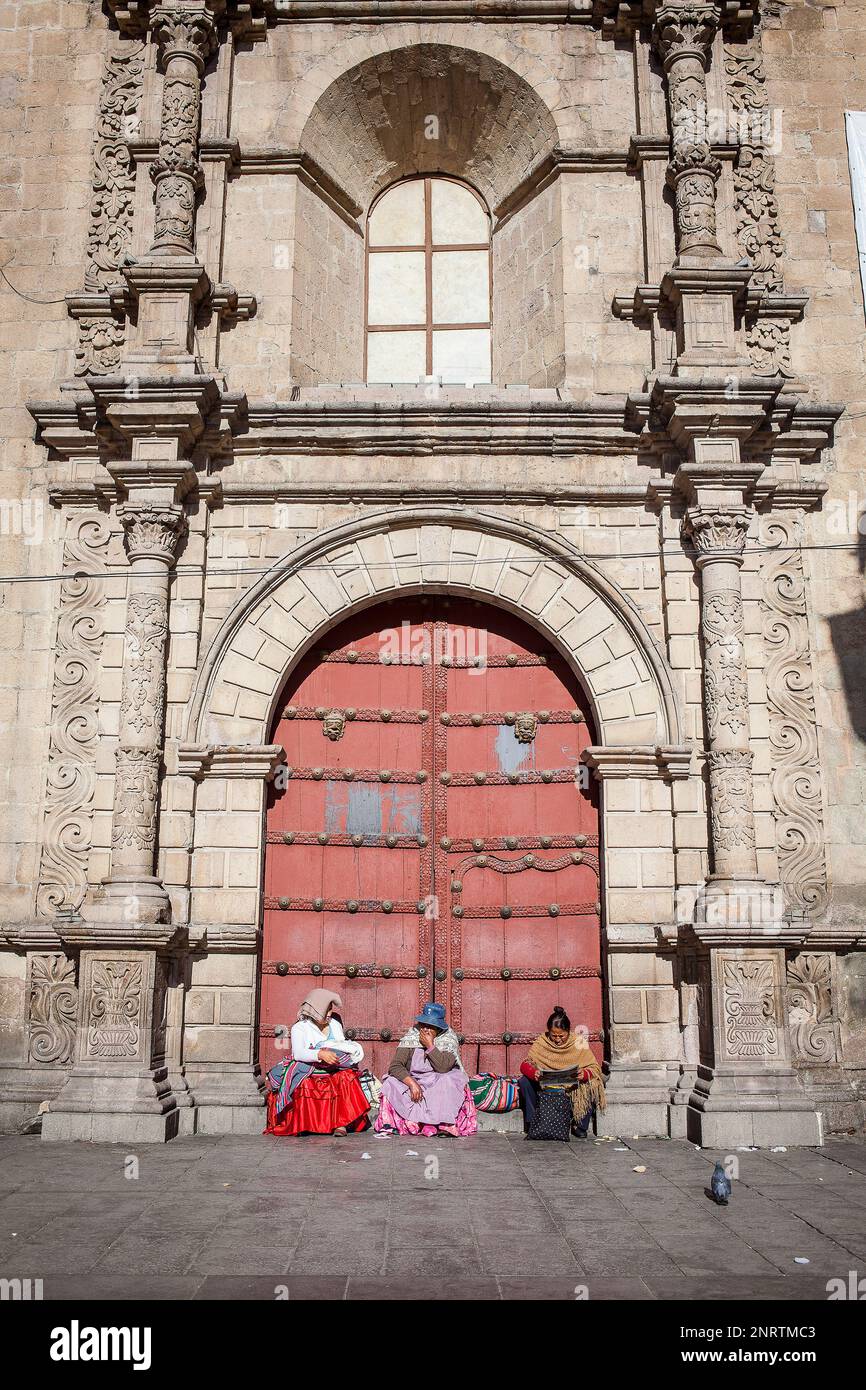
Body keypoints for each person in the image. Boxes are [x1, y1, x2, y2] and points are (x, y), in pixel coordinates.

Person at [264, 987, 370, 1137]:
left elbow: (340, 1044)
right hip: (311, 1067)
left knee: (347, 1077)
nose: (329, 1014)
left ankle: (341, 1123)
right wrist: (320, 1054)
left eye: (330, 1010)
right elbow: (299, 1053)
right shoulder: (299, 1028)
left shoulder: (335, 1024)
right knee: (304, 1082)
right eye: (326, 1010)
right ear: (315, 1009)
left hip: (334, 1066)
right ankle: (306, 1124)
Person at [375, 1002, 477, 1137]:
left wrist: (430, 1045)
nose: (426, 1030)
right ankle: (408, 1122)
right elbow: (395, 1066)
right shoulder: (412, 1037)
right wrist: (411, 1083)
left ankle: (443, 1123)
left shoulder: (448, 1039)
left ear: (439, 1028)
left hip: (437, 1083)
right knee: (390, 1082)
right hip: (416, 1083)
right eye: (424, 1025)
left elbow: (443, 1067)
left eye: (431, 1027)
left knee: (447, 1080)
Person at [518, 1005, 606, 1138]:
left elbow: (594, 1068)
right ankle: (533, 1123)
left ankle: (579, 1124)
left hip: (569, 1091)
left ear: (568, 1032)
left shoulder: (578, 1042)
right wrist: (533, 1072)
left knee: (591, 1083)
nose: (558, 1039)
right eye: (554, 1036)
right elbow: (525, 1064)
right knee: (524, 1081)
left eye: (561, 1036)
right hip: (546, 1091)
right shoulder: (542, 1041)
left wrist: (584, 1074)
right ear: (548, 1032)